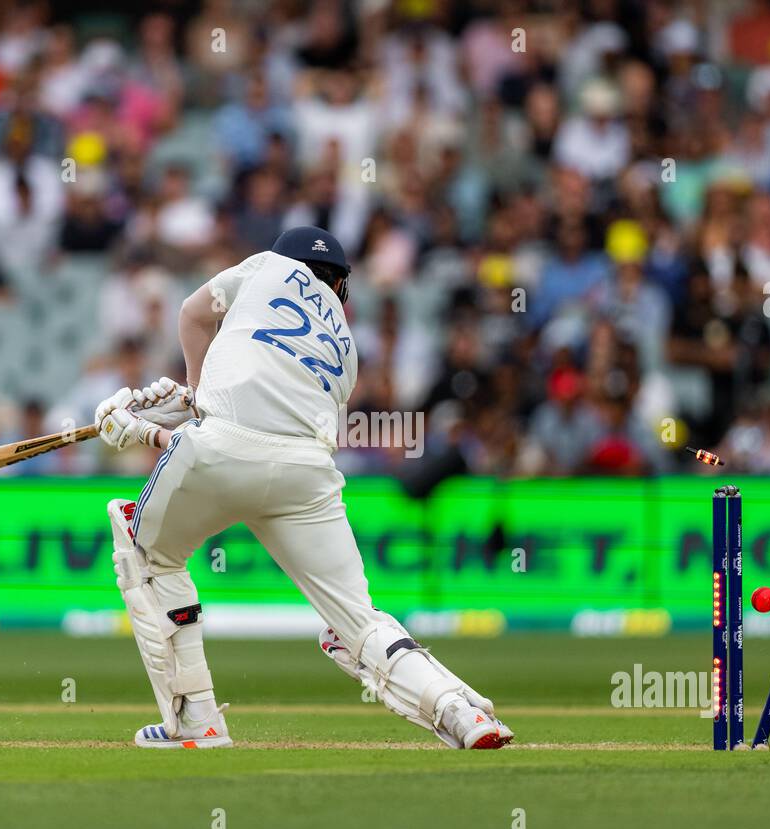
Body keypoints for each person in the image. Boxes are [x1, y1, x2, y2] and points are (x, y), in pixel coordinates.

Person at [92, 225, 513, 750]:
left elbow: (193, 315)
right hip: (306, 473)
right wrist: (198, 403)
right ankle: (461, 713)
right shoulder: (347, 349)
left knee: (143, 548)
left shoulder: (268, 266)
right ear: (341, 287)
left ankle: (196, 721)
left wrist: (148, 428)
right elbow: (274, 411)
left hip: (223, 450)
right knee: (357, 622)